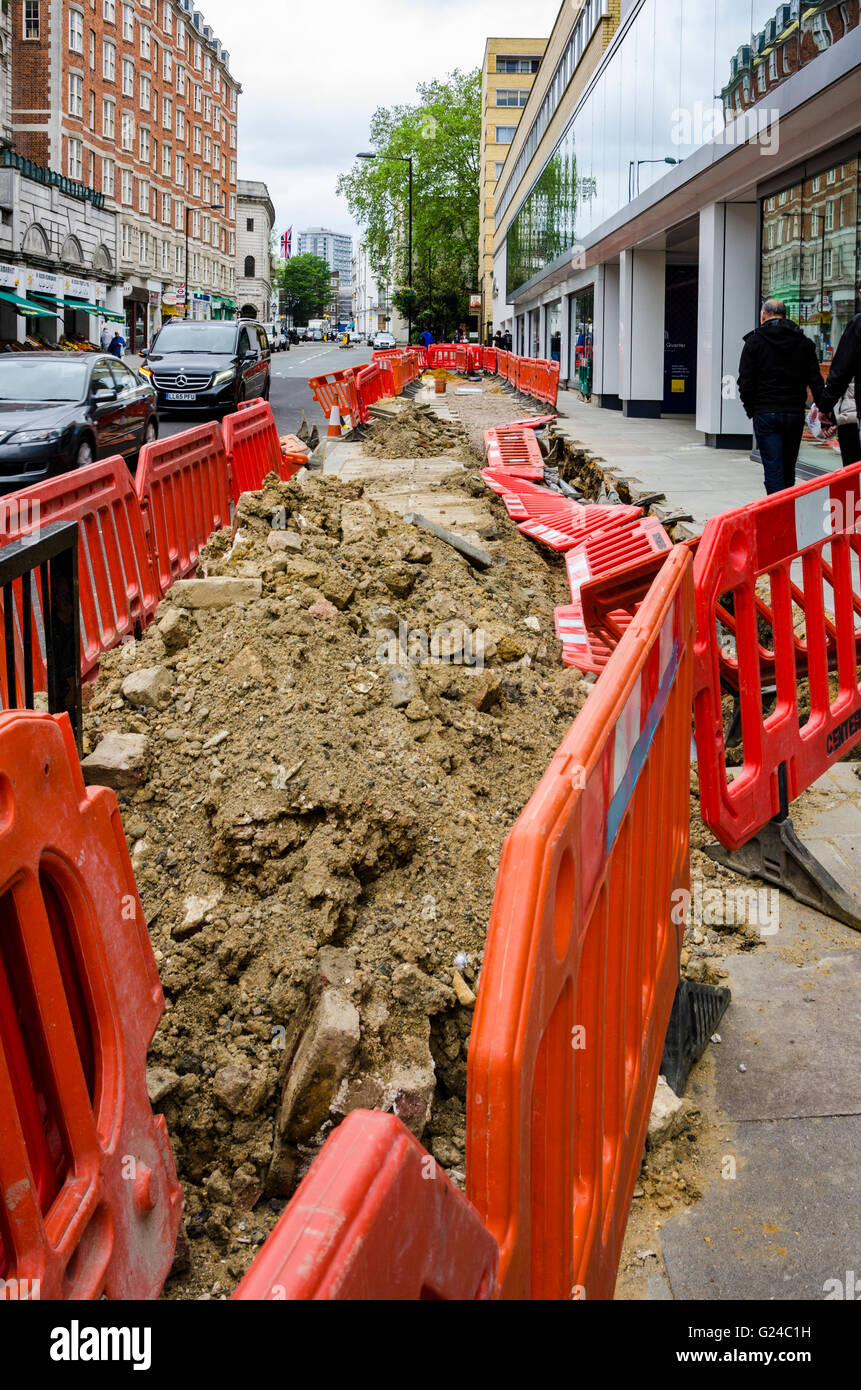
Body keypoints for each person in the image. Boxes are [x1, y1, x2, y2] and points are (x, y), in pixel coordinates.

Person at [737, 298, 825, 495]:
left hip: (766, 412)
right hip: (793, 413)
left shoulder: (754, 342)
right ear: (786, 316)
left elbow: (745, 381)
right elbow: (816, 381)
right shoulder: (804, 343)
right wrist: (825, 409)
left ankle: (777, 516)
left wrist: (752, 409)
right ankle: (786, 510)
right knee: (788, 468)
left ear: (763, 316)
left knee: (773, 470)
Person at [820, 309, 861, 467]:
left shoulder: (858, 323)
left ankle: (853, 493)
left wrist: (826, 406)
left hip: (854, 419)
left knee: (852, 478)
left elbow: (841, 371)